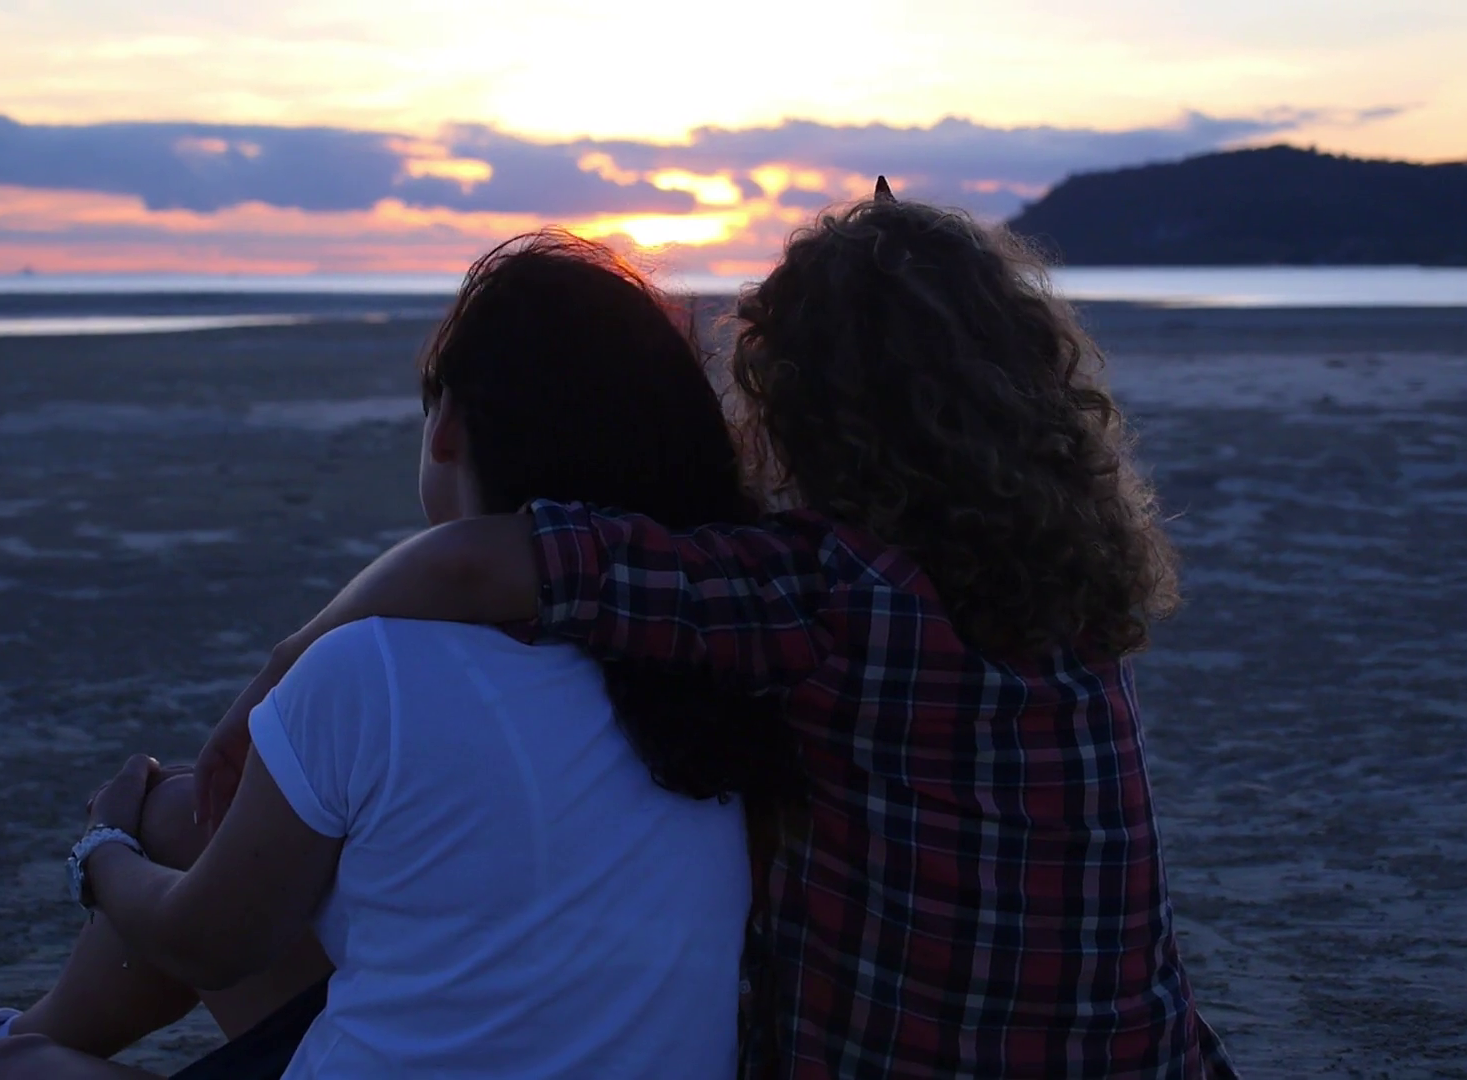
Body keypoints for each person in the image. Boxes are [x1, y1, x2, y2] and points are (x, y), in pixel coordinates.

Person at [195, 185, 1242, 1079]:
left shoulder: (826, 593)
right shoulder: (1070, 598)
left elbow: (484, 558)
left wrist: (272, 689)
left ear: (804, 407)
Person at [0, 230, 791, 1080]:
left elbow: (213, 943)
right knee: (204, 820)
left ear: (447, 432)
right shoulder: (710, 657)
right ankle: (22, 1026)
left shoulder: (380, 671)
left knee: (38, 1057)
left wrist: (103, 854)